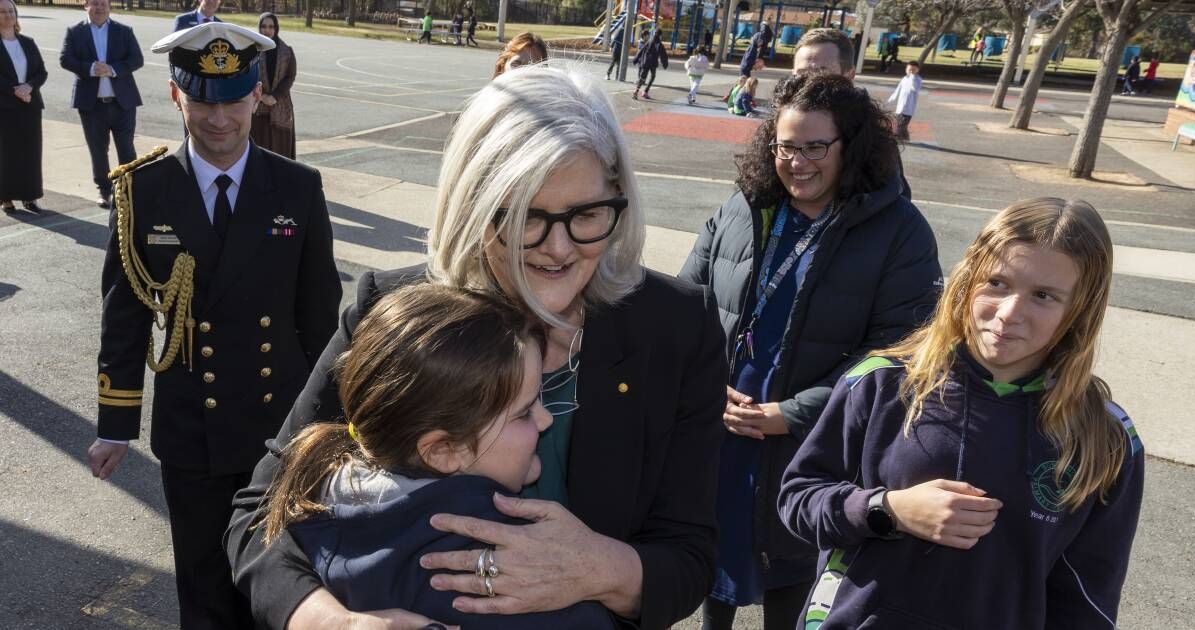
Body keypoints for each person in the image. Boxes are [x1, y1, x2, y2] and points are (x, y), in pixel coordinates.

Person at [225, 65, 726, 630]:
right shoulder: (393, 312)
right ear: (470, 205)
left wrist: (600, 568)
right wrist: (333, 623)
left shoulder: (678, 327)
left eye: (586, 215)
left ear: (619, 199)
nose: (558, 248)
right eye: (523, 218)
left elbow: (689, 555)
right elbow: (262, 511)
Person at [778, 198, 1144, 629]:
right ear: (968, 280)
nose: (1009, 314)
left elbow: (1089, 599)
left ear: (1079, 309)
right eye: (997, 283)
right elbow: (798, 498)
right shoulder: (883, 382)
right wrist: (887, 509)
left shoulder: (1105, 437)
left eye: (1043, 296)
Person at [87, 22, 341, 629]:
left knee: (275, 586)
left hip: (277, 428)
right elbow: (123, 315)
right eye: (203, 99)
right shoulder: (142, 191)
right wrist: (115, 424)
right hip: (189, 428)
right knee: (202, 588)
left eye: (232, 99)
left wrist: (330, 430)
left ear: (259, 97)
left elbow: (321, 322)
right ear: (178, 97)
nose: (218, 117)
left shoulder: (297, 189)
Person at [679, 72, 941, 630]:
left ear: (852, 145)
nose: (797, 163)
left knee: (792, 586)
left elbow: (898, 357)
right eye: (786, 147)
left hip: (812, 449)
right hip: (724, 431)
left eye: (815, 148)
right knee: (713, 574)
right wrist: (702, 383)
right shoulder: (746, 206)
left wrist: (791, 415)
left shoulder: (900, 233)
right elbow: (690, 303)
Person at [263, 284, 616, 629]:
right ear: (443, 451)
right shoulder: (505, 580)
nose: (545, 419)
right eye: (524, 413)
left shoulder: (316, 502)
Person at [794, 27, 912, 200]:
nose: (809, 83)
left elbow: (894, 202)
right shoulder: (777, 130)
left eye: (821, 74)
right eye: (801, 74)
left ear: (849, 76)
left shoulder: (873, 139)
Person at [59, 0, 142, 210]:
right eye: (94, 3)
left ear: (110, 7)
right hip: (91, 104)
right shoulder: (75, 32)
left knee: (126, 149)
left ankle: (128, 190)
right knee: (98, 150)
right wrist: (90, 68)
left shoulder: (124, 31)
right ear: (85, 6)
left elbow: (136, 59)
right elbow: (65, 59)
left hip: (122, 103)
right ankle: (105, 191)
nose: (99, 7)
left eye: (103, 3)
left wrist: (113, 69)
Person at [0, 0, 48, 214]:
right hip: (5, 107)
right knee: (6, 154)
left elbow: (41, 72)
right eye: (2, 11)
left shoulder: (27, 42)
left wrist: (29, 87)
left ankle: (30, 197)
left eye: (11, 11)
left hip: (30, 105)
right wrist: (16, 90)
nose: (8, 15)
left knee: (30, 153)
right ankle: (6, 197)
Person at [250, 13, 297, 159]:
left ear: (276, 28)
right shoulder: (252, 51)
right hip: (258, 108)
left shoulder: (287, 51)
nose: (267, 30)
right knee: (259, 150)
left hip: (280, 106)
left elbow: (290, 77)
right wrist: (262, 96)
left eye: (271, 27)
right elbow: (247, 75)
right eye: (263, 26)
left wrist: (275, 96)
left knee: (280, 152)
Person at [887, 60, 922, 141]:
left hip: (909, 109)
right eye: (909, 70)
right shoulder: (904, 79)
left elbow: (914, 88)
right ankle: (905, 137)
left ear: (917, 70)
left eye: (913, 70)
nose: (911, 72)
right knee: (900, 123)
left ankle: (897, 138)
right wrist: (891, 99)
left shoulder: (918, 80)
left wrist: (912, 77)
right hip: (900, 107)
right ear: (906, 69)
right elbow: (898, 89)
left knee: (901, 124)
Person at [632, 28, 667, 100]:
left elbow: (642, 50)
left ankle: (636, 92)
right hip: (653, 63)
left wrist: (636, 59)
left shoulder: (650, 41)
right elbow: (663, 55)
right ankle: (645, 91)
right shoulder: (659, 44)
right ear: (660, 35)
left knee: (642, 78)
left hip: (646, 62)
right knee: (652, 76)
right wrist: (665, 64)